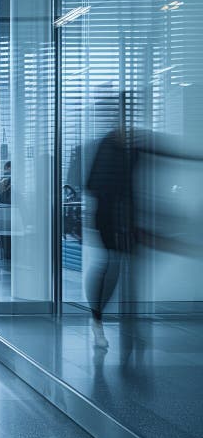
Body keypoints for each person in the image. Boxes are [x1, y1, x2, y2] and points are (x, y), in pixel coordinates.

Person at [86, 127, 135, 349]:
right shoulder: (108, 150)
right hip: (109, 217)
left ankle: (98, 318)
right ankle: (97, 318)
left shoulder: (129, 151)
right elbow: (94, 186)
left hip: (125, 217)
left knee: (115, 266)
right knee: (111, 266)